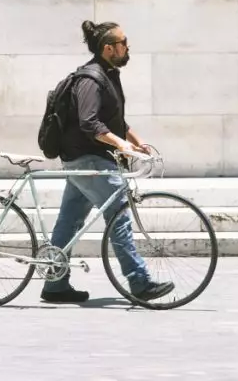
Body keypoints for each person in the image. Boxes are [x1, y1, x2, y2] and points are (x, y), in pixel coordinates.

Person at [40, 20, 175, 304]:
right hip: (89, 161)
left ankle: (55, 284)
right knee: (119, 216)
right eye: (124, 43)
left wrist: (136, 142)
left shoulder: (109, 74)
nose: (128, 48)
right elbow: (90, 123)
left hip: (85, 161)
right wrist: (120, 144)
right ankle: (139, 282)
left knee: (69, 221)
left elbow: (115, 121)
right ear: (108, 48)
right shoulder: (91, 79)